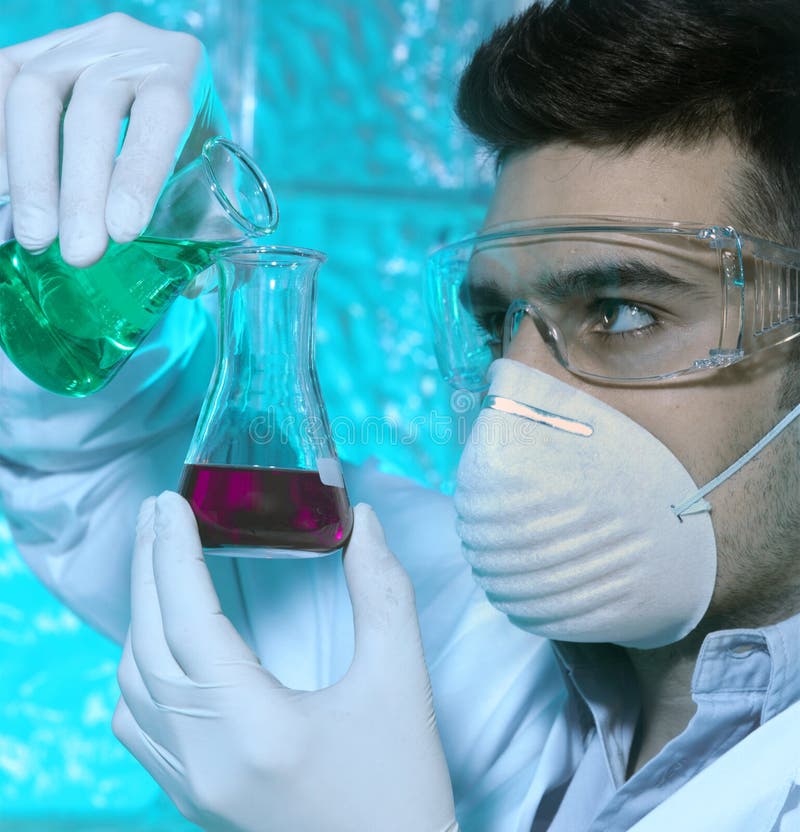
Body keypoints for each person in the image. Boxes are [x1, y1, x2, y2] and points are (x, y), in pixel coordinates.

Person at [3, 2, 800, 830]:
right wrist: (125, 218)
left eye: (623, 312)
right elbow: (97, 459)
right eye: (498, 326)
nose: (514, 397)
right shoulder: (447, 630)